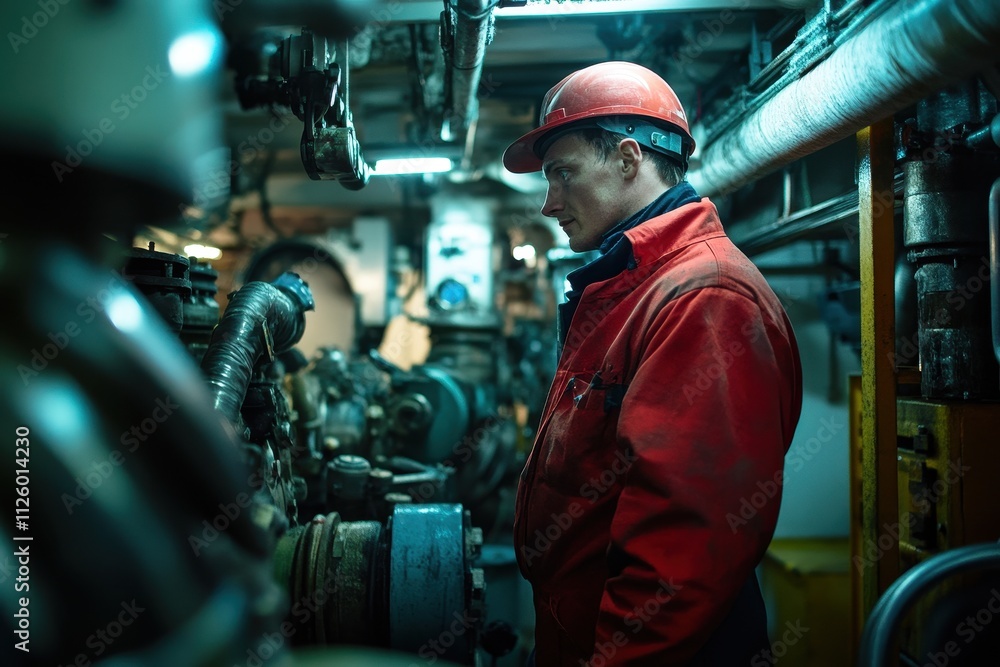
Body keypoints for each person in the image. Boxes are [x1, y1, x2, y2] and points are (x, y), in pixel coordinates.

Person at [502, 61, 803, 665]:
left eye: (562, 174)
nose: (548, 202)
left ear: (628, 158)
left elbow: (683, 552)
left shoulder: (704, 300)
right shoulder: (636, 288)